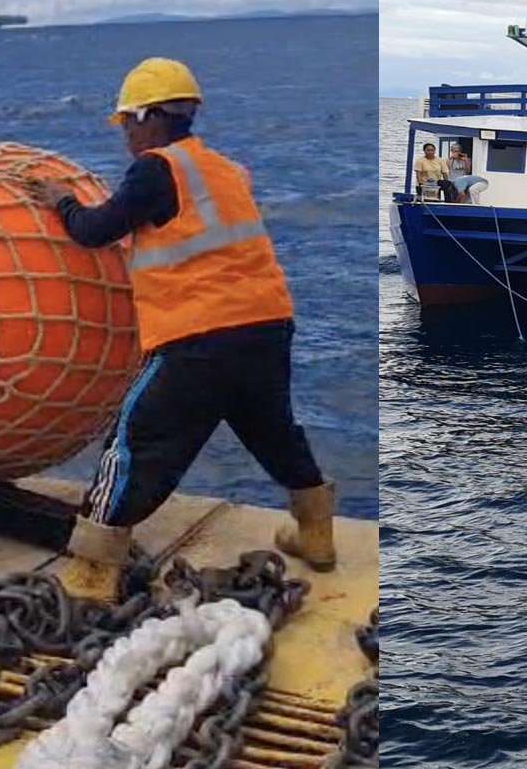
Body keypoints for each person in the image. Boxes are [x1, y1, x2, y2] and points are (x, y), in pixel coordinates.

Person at [25, 57, 337, 602]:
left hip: (198, 338)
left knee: (134, 444)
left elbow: (95, 231)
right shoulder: (223, 169)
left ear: (150, 118)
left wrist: (62, 201)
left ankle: (92, 571)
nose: (124, 133)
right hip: (266, 327)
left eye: (126, 122)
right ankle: (316, 534)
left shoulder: (155, 169)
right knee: (273, 430)